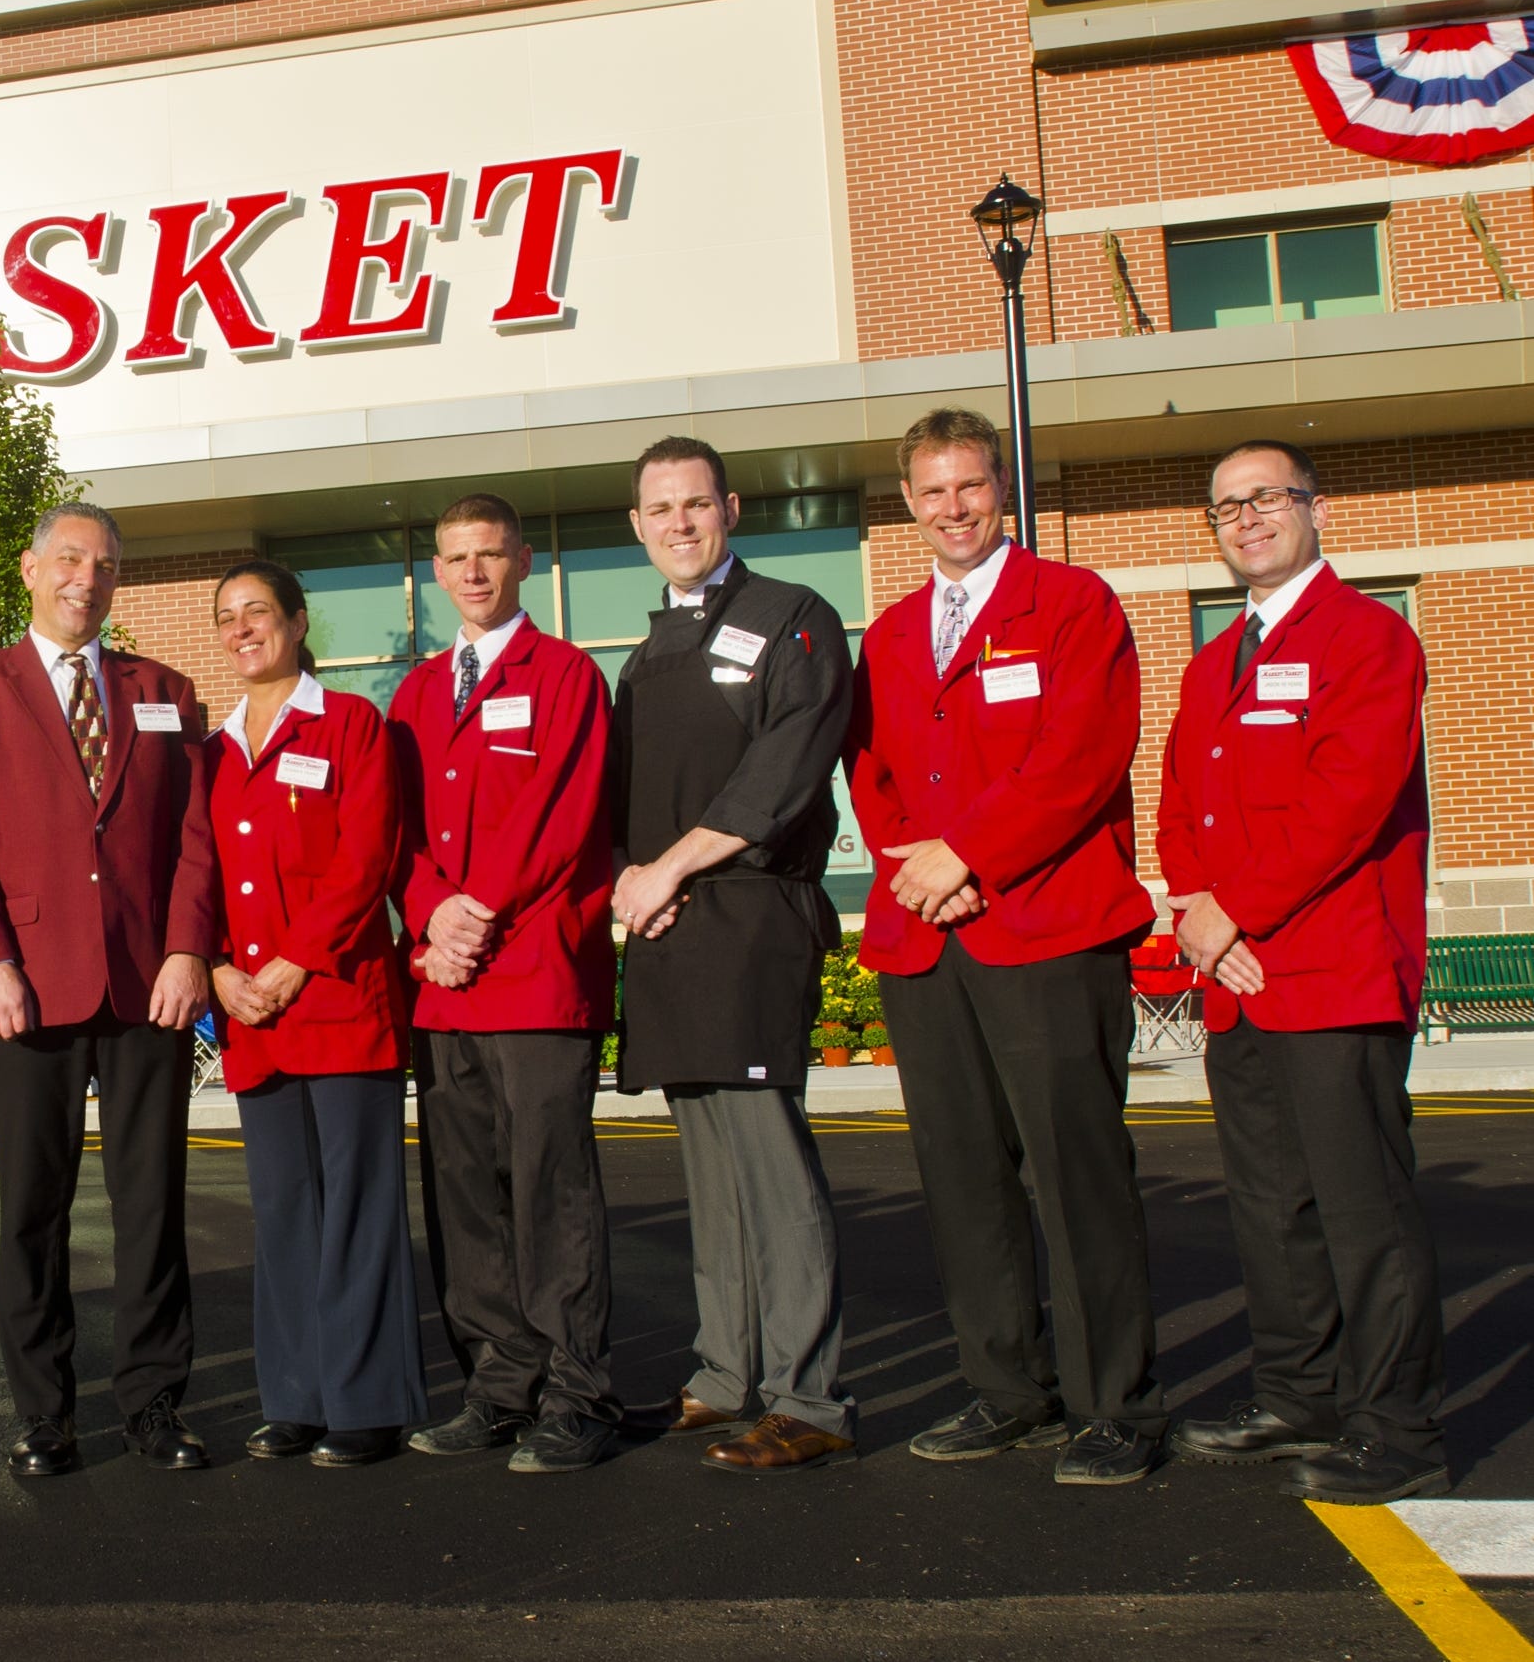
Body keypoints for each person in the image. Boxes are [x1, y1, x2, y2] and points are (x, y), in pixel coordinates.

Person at [846, 407, 1167, 1485]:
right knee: (962, 1178)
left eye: (969, 486)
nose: (952, 508)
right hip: (927, 940)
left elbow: (1080, 756)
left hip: (1045, 928)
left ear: (1000, 488)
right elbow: (872, 771)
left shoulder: (1070, 605)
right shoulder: (890, 633)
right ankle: (1005, 1390)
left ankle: (1111, 1405)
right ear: (907, 502)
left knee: (1075, 1178)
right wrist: (913, 864)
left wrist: (967, 856)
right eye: (931, 491)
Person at [1157, 440, 1445, 1503]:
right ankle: (1296, 1394)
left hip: (1332, 970)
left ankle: (1395, 1427)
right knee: (1270, 1204)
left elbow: (1346, 800)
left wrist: (1235, 910)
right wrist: (1196, 915)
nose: (1245, 519)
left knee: (1360, 1207)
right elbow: (1179, 801)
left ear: (1313, 507)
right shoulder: (1212, 660)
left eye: (1265, 498)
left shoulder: (1366, 638)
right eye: (1225, 507)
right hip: (1234, 976)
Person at [0, 502, 217, 1476]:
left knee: (151, 1205)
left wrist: (187, 949)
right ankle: (41, 1417)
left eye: (100, 565)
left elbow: (193, 838)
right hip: (28, 991)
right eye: (65, 560)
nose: (82, 580)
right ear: (27, 568)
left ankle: (152, 1405)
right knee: (31, 1212)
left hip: (148, 988)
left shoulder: (165, 690)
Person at [606, 437, 859, 1473]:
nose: (678, 523)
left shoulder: (790, 619)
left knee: (769, 1164)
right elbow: (626, 796)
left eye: (695, 505)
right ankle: (722, 1374)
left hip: (750, 921)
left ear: (730, 509)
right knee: (709, 1168)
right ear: (637, 526)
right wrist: (635, 881)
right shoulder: (643, 652)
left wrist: (662, 871)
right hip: (669, 934)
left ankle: (809, 1397)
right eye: (659, 509)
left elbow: (781, 773)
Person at [389, 493, 623, 1476]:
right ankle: (495, 1381)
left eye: (490, 554)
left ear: (522, 560)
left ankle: (577, 1391)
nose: (473, 572)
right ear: (436, 572)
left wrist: (471, 910)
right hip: (442, 983)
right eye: (455, 558)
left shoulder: (565, 676)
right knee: (462, 1194)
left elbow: (563, 820)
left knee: (545, 1185)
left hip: (532, 970)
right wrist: (428, 914)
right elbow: (390, 831)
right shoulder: (412, 695)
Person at [203, 559, 425, 1468]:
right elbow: (196, 873)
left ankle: (367, 1400)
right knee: (284, 1208)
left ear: (298, 622)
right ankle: (294, 1395)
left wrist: (293, 959)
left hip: (336, 998)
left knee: (356, 1209)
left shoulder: (351, 726)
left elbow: (365, 856)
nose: (243, 627)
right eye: (228, 616)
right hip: (250, 1013)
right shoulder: (209, 750)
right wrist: (217, 967)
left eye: (259, 610)